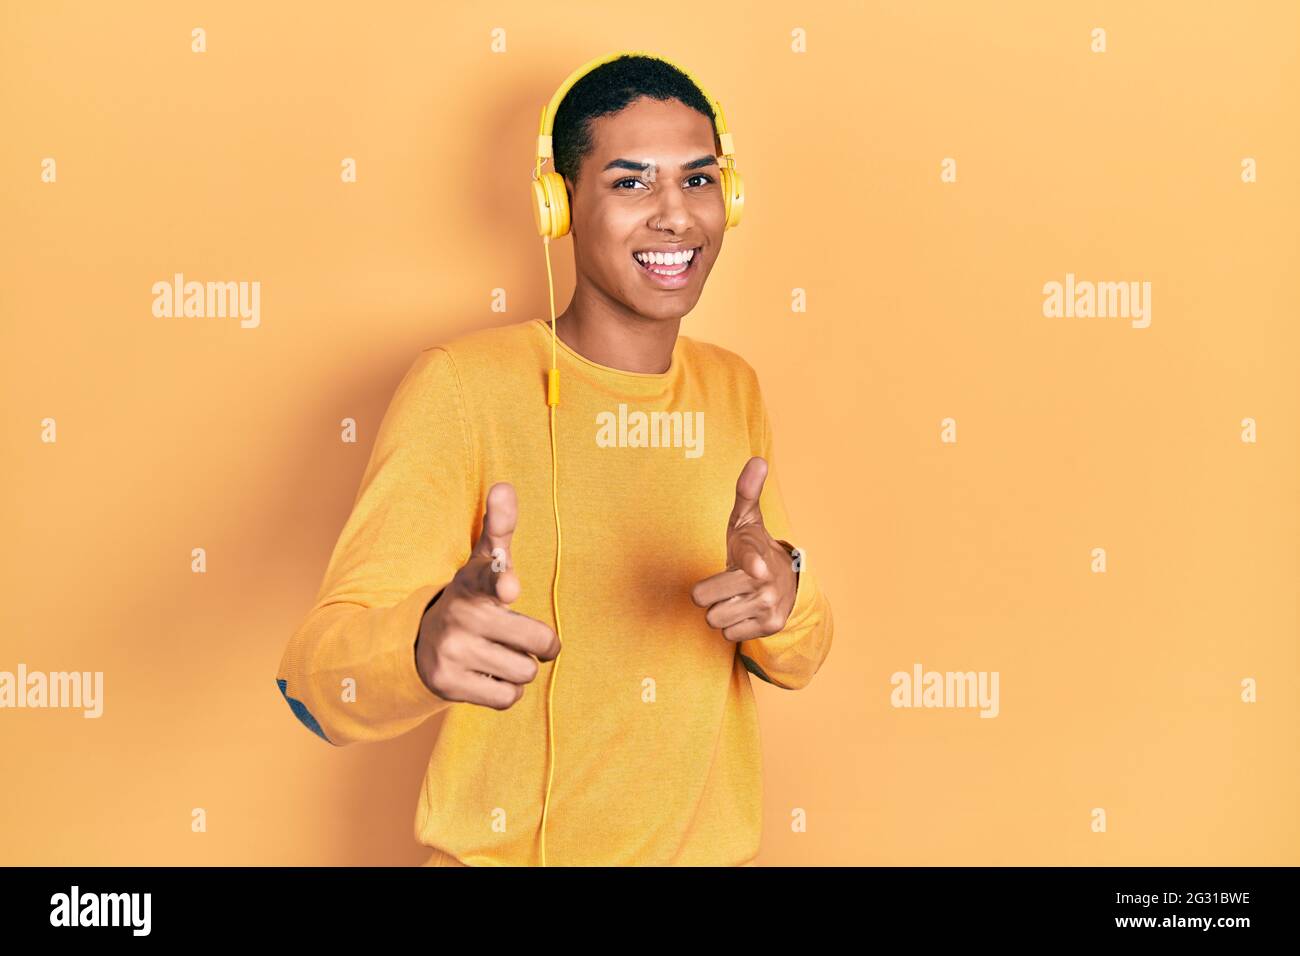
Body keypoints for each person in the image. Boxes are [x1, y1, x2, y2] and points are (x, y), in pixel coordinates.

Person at [275, 53, 833, 867]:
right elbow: (314, 688)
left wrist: (785, 588)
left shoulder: (732, 387)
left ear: (730, 199)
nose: (676, 216)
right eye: (632, 183)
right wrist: (421, 645)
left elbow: (799, 653)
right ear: (558, 204)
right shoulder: (462, 387)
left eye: (700, 181)